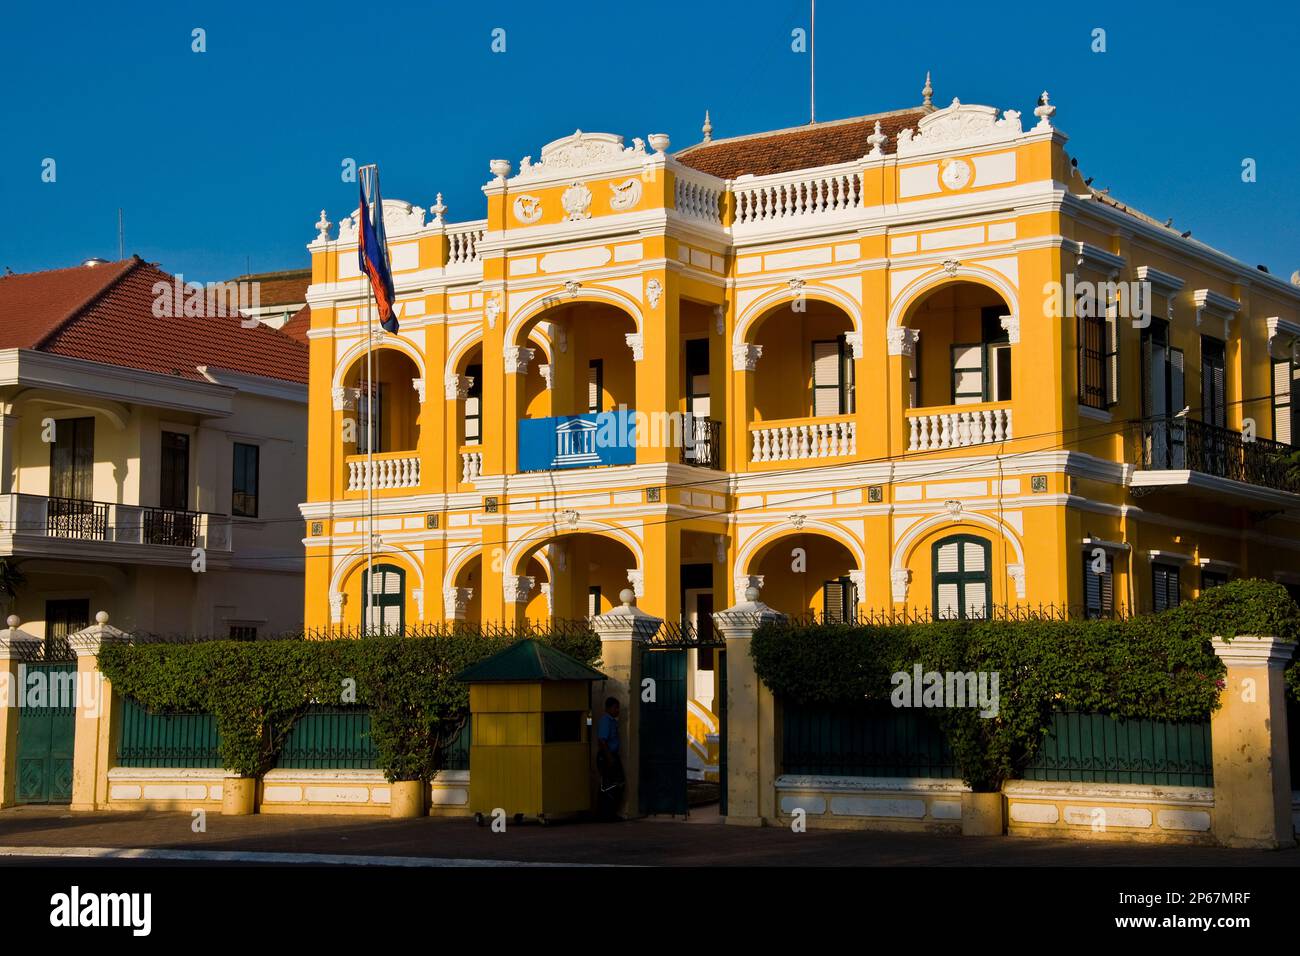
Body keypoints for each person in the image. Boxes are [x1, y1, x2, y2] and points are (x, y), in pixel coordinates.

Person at [595, 696, 624, 820]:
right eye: (615, 708)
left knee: (616, 783)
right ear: (608, 708)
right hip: (607, 756)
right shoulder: (605, 721)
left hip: (612, 755)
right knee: (610, 784)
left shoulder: (613, 721)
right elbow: (602, 740)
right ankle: (606, 814)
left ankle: (610, 812)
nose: (617, 710)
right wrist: (609, 757)